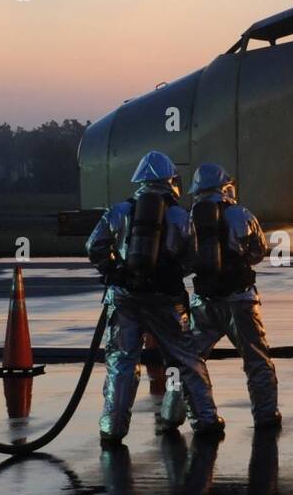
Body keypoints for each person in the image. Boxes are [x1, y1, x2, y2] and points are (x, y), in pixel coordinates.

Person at [86, 151, 224, 444]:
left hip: (124, 298)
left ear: (140, 180)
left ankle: (112, 427)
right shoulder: (179, 215)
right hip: (165, 300)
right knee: (186, 360)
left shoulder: (120, 210)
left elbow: (94, 246)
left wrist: (117, 271)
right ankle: (206, 419)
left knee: (122, 362)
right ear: (170, 180)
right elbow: (194, 257)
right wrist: (170, 273)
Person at [159, 163, 280, 430]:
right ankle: (266, 416)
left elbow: (182, 258)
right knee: (256, 359)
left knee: (188, 360)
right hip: (241, 301)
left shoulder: (188, 216)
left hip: (204, 302)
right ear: (225, 185)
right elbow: (258, 252)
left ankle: (181, 416)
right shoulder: (241, 213)